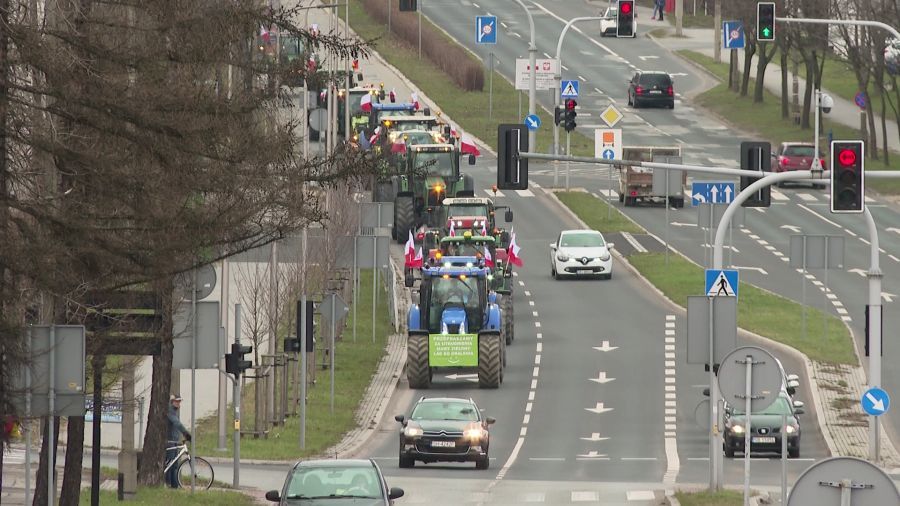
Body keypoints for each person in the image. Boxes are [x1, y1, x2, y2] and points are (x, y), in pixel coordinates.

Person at [165, 394, 192, 488]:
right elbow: (177, 424)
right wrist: (186, 434)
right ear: (171, 402)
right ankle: (168, 484)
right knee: (170, 463)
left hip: (174, 441)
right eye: (176, 402)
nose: (178, 404)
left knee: (174, 464)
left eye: (179, 402)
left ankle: (174, 485)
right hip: (170, 441)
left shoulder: (174, 412)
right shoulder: (170, 411)